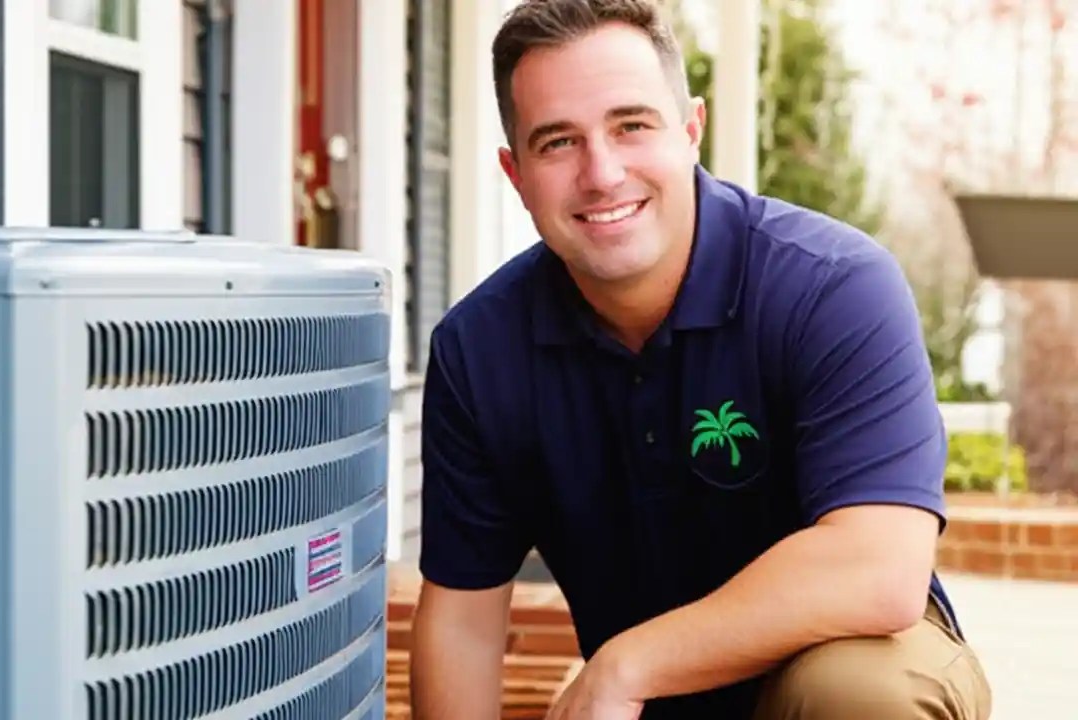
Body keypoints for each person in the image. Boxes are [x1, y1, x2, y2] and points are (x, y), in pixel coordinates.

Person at [406, 1, 994, 718]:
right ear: (516, 173)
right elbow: (463, 619)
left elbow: (878, 569)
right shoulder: (480, 350)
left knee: (858, 694)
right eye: (558, 142)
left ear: (691, 130)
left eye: (632, 125)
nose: (602, 172)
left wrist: (626, 665)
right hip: (656, 704)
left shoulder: (830, 286)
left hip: (842, 666)